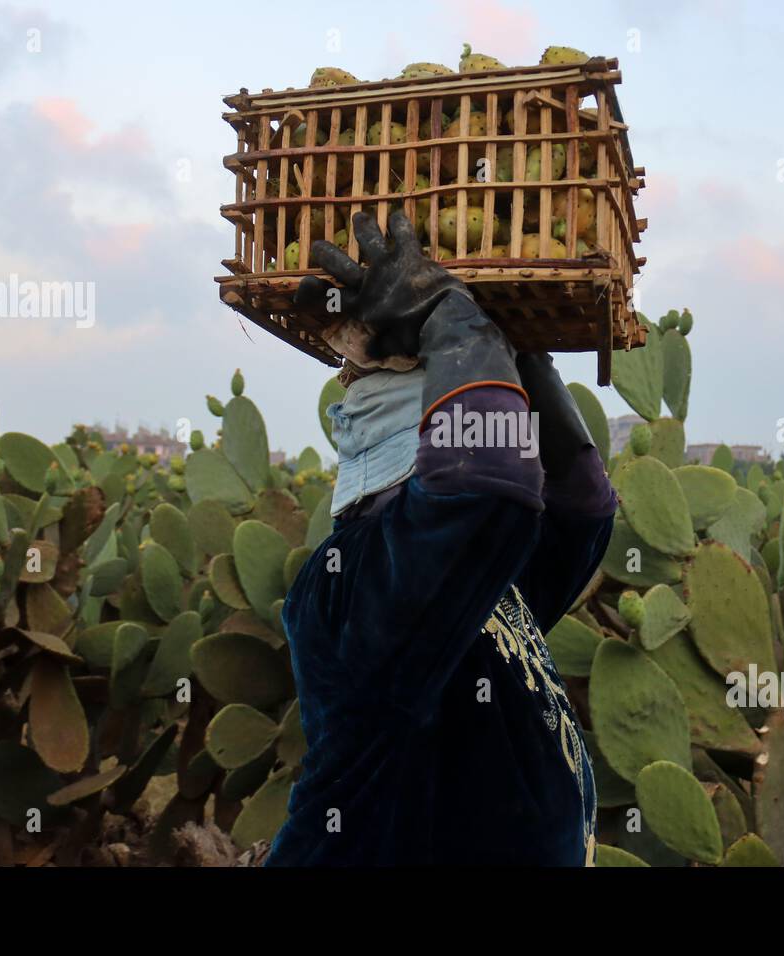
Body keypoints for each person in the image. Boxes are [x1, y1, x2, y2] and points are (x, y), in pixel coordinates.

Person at [264, 211, 617, 866]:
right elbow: (485, 483)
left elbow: (582, 511)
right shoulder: (356, 578)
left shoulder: (471, 582)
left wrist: (515, 346)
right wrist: (447, 315)